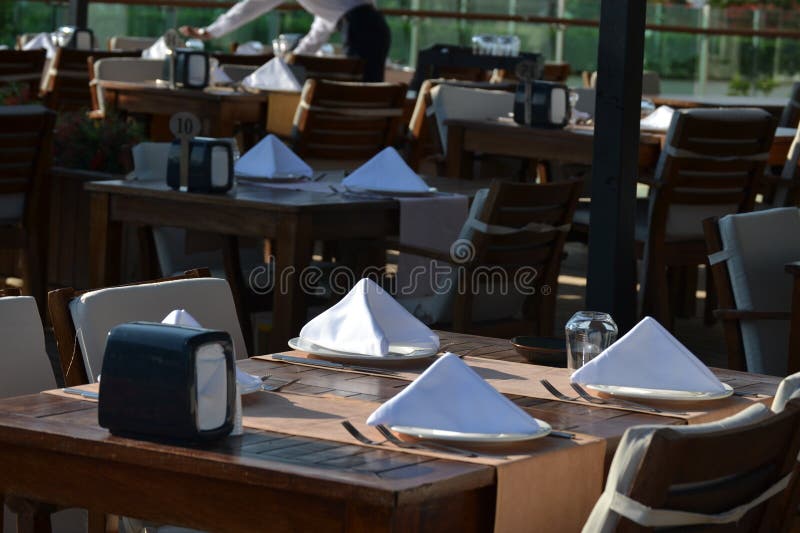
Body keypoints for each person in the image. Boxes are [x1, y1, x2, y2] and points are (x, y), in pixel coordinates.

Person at [180, 0, 391, 82]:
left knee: (364, 93)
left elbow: (250, 7)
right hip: (375, 27)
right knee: (367, 91)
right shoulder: (340, 9)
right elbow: (322, 27)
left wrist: (211, 32)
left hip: (361, 29)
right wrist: (295, 58)